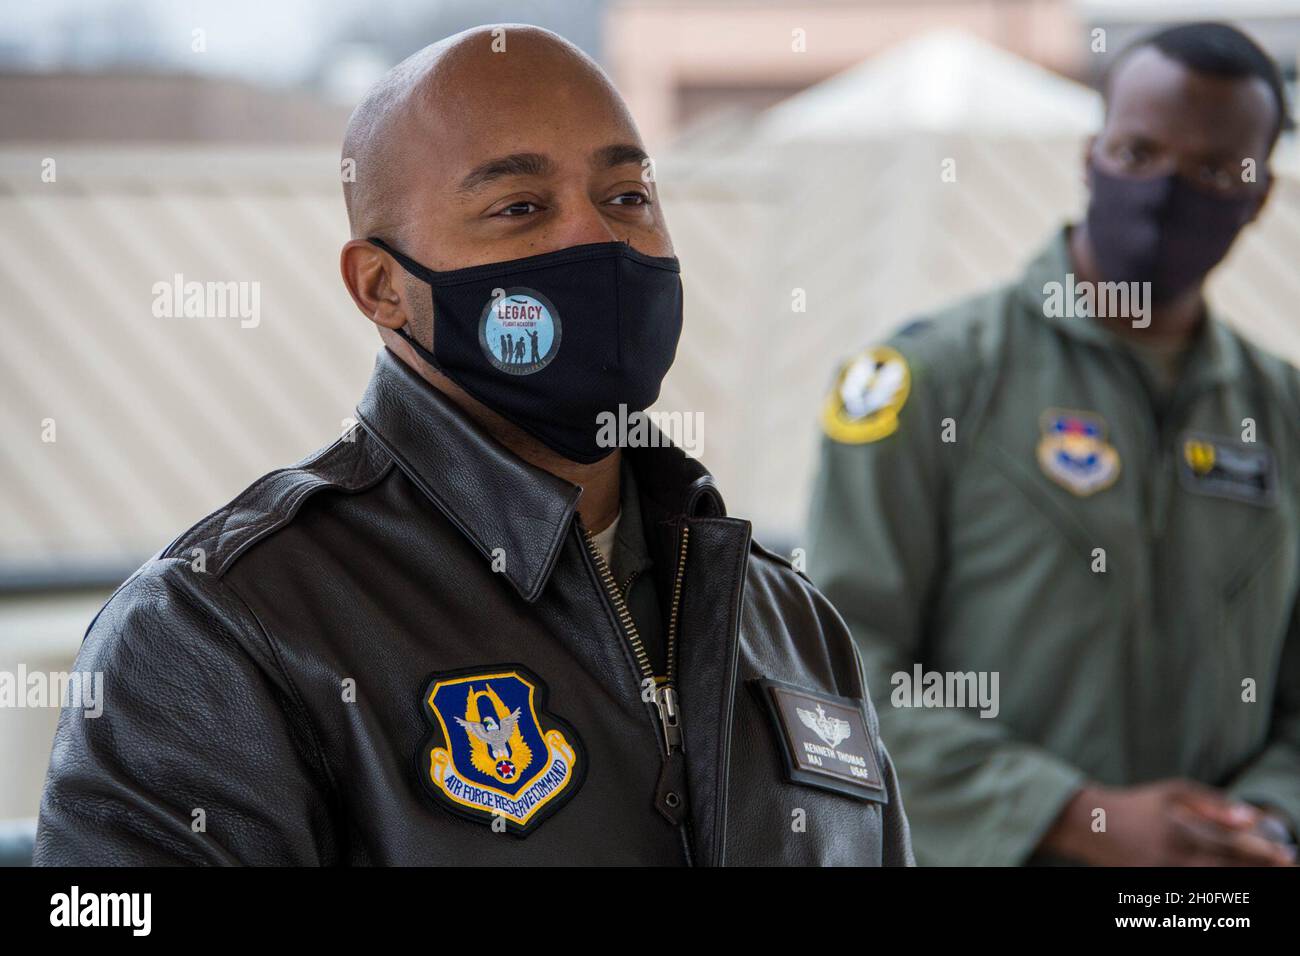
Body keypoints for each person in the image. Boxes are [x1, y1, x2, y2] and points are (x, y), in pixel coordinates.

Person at [34, 25, 911, 866]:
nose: (597, 238)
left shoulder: (791, 624)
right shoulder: (220, 631)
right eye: (520, 206)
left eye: (628, 197)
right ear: (380, 285)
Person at [808, 22, 1298, 866]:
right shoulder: (929, 380)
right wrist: (1073, 815)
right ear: (1089, 155)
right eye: (1139, 152)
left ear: (1258, 197)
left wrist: (1261, 820)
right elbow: (835, 680)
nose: (1165, 191)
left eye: (1213, 173)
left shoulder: (1280, 411)